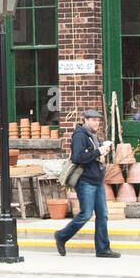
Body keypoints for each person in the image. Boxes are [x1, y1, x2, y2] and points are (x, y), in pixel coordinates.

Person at [55, 108, 121, 259]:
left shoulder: (92, 135)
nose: (97, 123)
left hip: (96, 181)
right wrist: (98, 152)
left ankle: (103, 249)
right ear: (85, 120)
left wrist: (101, 151)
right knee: (86, 214)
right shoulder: (80, 135)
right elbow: (78, 157)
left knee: (103, 215)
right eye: (93, 120)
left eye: (98, 120)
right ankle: (61, 236)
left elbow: (91, 155)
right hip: (85, 181)